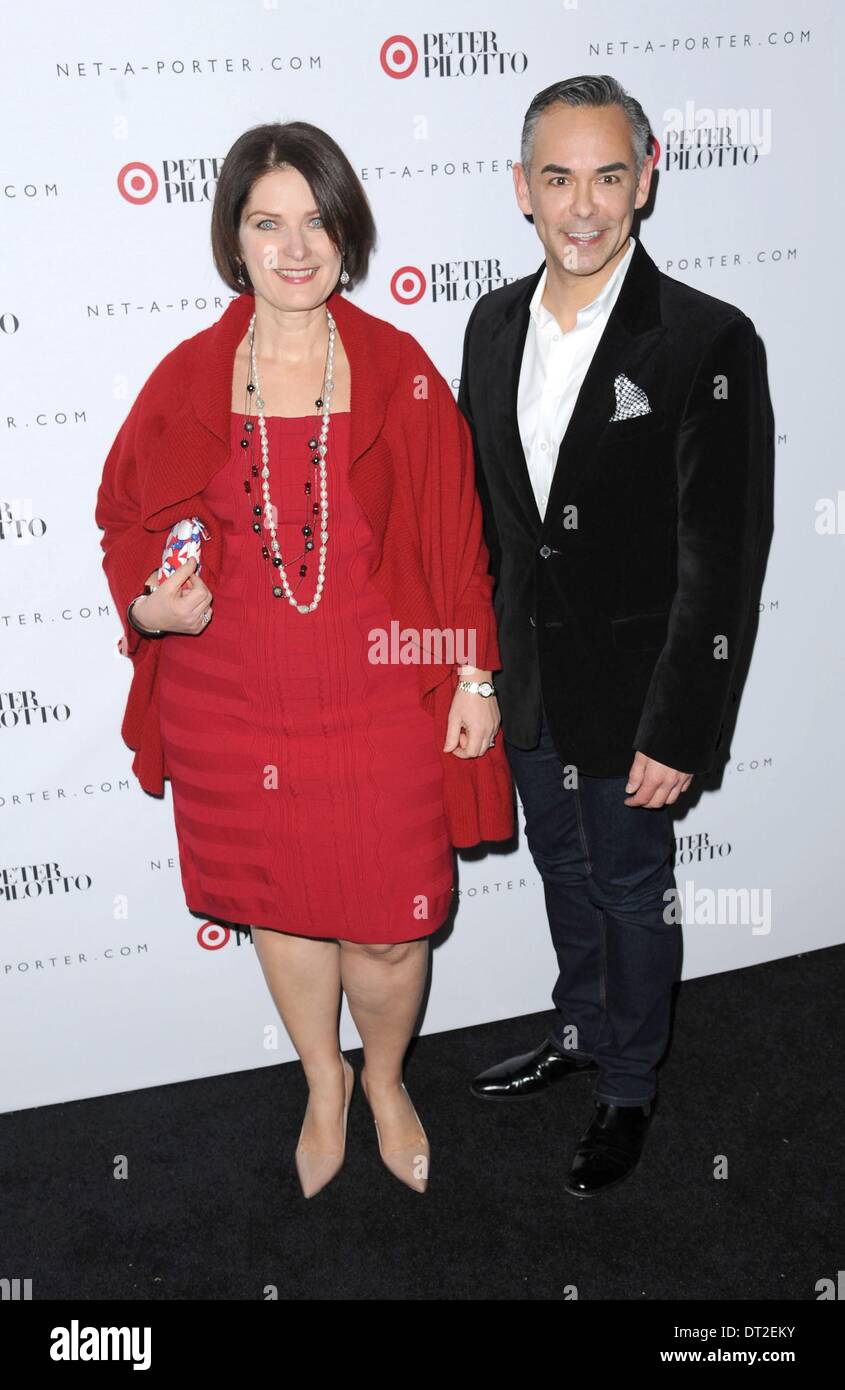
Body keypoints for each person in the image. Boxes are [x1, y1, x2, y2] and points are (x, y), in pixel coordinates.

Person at [95, 121, 514, 1199]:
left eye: (316, 221)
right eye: (266, 222)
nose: (294, 247)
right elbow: (124, 520)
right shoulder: (186, 378)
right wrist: (151, 604)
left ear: (346, 232)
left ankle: (383, 1077)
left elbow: (454, 534)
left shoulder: (399, 371)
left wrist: (470, 674)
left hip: (380, 693)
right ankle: (322, 1080)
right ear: (232, 240)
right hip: (232, 700)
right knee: (282, 909)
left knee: (386, 931)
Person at [458, 76, 772, 1197]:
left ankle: (629, 1085)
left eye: (605, 175)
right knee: (558, 860)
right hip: (529, 675)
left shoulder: (704, 337)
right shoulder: (490, 322)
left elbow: (720, 558)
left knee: (630, 887)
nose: (581, 205)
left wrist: (680, 721)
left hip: (639, 690)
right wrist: (476, 670)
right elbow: (486, 524)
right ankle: (583, 1026)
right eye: (556, 178)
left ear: (645, 180)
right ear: (520, 190)